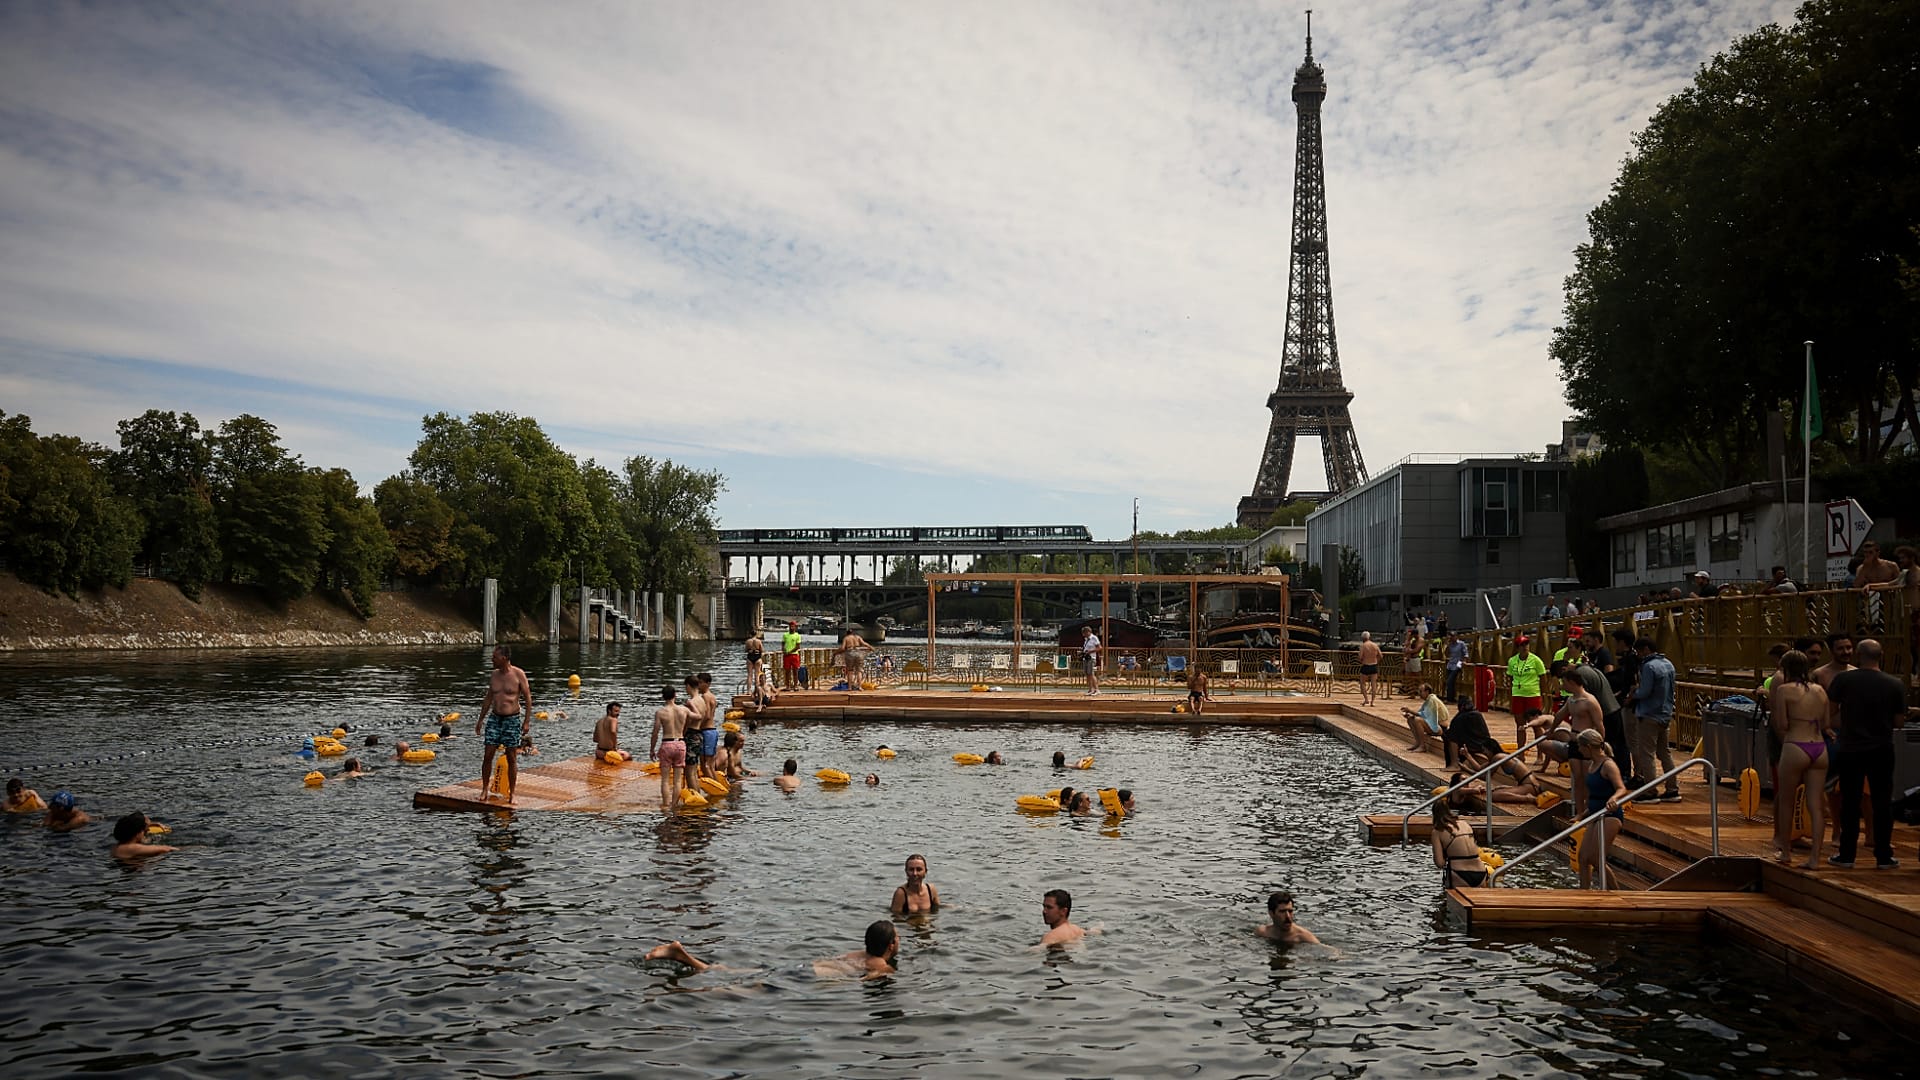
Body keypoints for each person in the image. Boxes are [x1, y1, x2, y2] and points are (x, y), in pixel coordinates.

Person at [1827, 640, 1905, 869]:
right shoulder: (1895, 684)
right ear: (1881, 655)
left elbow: (1831, 711)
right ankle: (1883, 855)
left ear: (1859, 655)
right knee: (1882, 801)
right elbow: (1899, 722)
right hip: (1881, 748)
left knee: (1850, 801)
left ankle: (1847, 854)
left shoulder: (1843, 680)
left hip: (1850, 747)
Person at [1768, 649, 1829, 868]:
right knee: (1816, 805)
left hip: (1795, 745)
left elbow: (1782, 724)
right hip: (1819, 748)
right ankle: (1815, 858)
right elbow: (1827, 722)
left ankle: (1785, 852)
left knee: (1786, 800)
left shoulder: (1784, 690)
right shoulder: (1820, 690)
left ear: (1785, 668)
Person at [476, 645, 534, 805]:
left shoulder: (518, 674)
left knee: (511, 756)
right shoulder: (494, 675)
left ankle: (512, 793)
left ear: (504, 658)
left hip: (512, 719)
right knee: (488, 755)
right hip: (495, 718)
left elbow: (528, 698)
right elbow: (488, 698)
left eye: (494, 657)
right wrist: (481, 719)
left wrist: (527, 721)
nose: (492, 660)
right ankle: (484, 789)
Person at [1625, 637, 1680, 802]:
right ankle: (1672, 789)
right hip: (1665, 714)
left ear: (1646, 649)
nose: (1639, 655)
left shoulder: (1649, 666)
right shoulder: (1668, 664)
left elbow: (1645, 692)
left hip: (1648, 715)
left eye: (1639, 651)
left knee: (1646, 755)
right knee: (1665, 754)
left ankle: (1650, 791)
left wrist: (1633, 694)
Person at [1574, 729, 1629, 889]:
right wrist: (1581, 816)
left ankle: (1616, 893)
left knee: (1596, 858)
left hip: (1610, 815)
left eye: (1580, 746)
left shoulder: (1608, 765)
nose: (1579, 750)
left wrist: (1614, 798)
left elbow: (1621, 788)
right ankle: (1584, 893)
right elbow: (1593, 798)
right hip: (1595, 814)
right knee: (1583, 857)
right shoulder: (1592, 765)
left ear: (1589, 746)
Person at [813, 920, 899, 979]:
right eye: (898, 937)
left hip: (809, 967)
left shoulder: (858, 954)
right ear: (891, 945)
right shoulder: (882, 966)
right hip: (815, 977)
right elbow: (861, 980)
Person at [648, 686, 689, 809]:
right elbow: (697, 717)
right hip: (680, 743)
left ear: (663, 697)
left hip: (667, 743)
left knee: (665, 780)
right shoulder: (683, 710)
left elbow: (655, 732)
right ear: (675, 695)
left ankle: (666, 805)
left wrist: (652, 749)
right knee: (677, 780)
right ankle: (674, 805)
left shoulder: (660, 712)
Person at [1431, 799, 1487, 888]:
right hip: (1481, 871)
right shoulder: (1465, 824)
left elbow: (1440, 863)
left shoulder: (1437, 831)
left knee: (1446, 900)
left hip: (1459, 873)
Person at [1505, 635, 1546, 748]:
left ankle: (1540, 754)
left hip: (1532, 694)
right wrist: (1510, 699)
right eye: (1522, 645)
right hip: (1517, 695)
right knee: (1520, 725)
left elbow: (1543, 678)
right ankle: (1521, 752)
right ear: (1517, 647)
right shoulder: (1512, 661)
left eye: (1526, 644)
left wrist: (1544, 696)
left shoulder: (1536, 660)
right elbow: (1510, 679)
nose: (1525, 647)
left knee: (1536, 725)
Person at [1443, 696, 1502, 771]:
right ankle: (1460, 763)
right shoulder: (1477, 714)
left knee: (1450, 737)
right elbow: (1480, 770)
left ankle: (1454, 764)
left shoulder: (1461, 717)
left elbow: (1452, 733)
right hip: (1480, 743)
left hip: (1476, 745)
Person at [1400, 682, 1449, 755]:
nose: (1419, 693)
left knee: (1417, 720)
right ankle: (1418, 743)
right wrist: (1410, 715)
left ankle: (1422, 746)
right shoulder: (1428, 700)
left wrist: (1410, 710)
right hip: (1435, 725)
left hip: (1440, 728)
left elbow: (1424, 715)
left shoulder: (1432, 700)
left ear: (1427, 692)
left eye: (1421, 691)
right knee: (1411, 719)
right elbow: (1423, 714)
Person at [1255, 891, 1320, 944]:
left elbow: (1324, 949)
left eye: (1290, 911)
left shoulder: (1303, 937)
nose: (1288, 916)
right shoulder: (1262, 932)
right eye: (1282, 911)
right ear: (1271, 913)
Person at [111, 812, 176, 860]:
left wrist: (154, 824)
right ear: (137, 833)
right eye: (144, 832)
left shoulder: (118, 846)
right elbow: (166, 849)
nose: (144, 834)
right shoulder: (132, 848)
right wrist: (184, 850)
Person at [696, 673, 722, 776]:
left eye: (700, 683)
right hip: (712, 731)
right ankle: (716, 786)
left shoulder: (705, 697)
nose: (698, 685)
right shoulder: (712, 696)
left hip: (706, 731)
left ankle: (714, 789)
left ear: (707, 683)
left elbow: (706, 716)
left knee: (705, 765)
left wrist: (696, 727)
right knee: (710, 765)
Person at [1356, 632, 1382, 706]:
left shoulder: (1363, 646)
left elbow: (1360, 657)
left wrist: (1361, 661)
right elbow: (1380, 655)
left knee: (1362, 683)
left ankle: (1366, 699)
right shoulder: (1375, 645)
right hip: (1374, 665)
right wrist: (1376, 661)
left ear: (1363, 638)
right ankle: (1372, 701)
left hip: (1366, 665)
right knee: (1373, 684)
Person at [1442, 632, 1468, 703]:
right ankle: (1451, 698)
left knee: (1449, 681)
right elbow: (1446, 654)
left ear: (1456, 636)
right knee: (1449, 682)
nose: (1451, 638)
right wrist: (1447, 645)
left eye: (1453, 636)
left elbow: (1465, 654)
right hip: (1450, 664)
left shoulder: (1461, 644)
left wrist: (1464, 662)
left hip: (1458, 664)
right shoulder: (1450, 645)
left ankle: (1450, 699)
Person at [781, 621, 804, 691]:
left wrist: (790, 652)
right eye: (790, 626)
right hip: (786, 656)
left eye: (793, 626)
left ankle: (795, 686)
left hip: (794, 655)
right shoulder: (785, 635)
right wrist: (784, 650)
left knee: (795, 671)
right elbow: (783, 644)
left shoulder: (797, 635)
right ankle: (787, 686)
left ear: (795, 627)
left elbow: (798, 646)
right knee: (787, 671)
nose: (792, 627)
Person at [1080, 626, 1102, 696]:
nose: (1083, 635)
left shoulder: (1094, 638)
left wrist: (1090, 651)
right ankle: (1090, 689)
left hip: (1091, 658)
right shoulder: (1086, 639)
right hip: (1086, 658)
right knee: (1087, 674)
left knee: (1091, 673)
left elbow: (1099, 648)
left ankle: (1097, 689)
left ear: (1088, 632)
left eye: (1084, 633)